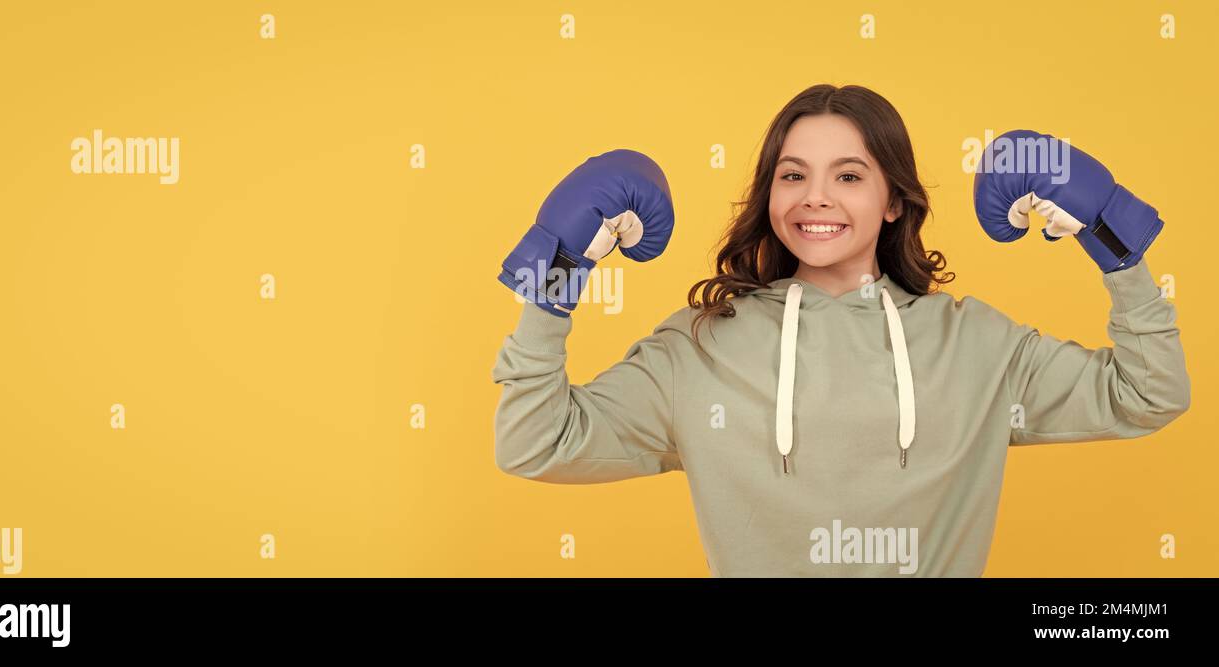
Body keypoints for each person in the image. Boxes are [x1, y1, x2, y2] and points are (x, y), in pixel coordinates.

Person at [490, 83, 1191, 577]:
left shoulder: (977, 345)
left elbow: (1149, 392)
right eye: (793, 174)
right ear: (771, 194)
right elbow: (534, 442)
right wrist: (555, 273)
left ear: (893, 201)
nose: (815, 196)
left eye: (849, 175)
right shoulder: (699, 350)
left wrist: (1114, 244)